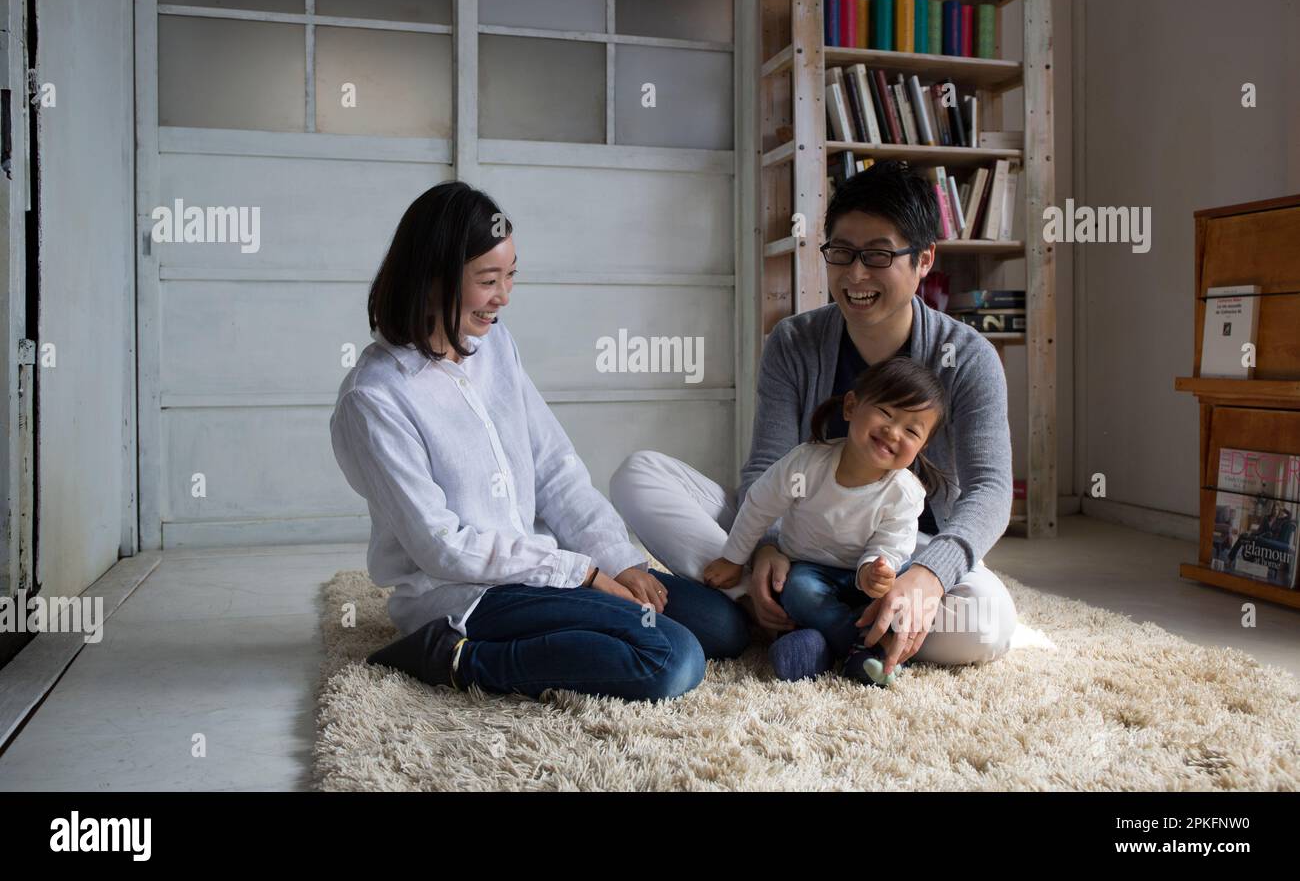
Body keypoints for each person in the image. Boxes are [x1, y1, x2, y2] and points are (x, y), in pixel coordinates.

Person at [330, 181, 748, 702]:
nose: (504, 297)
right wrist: (583, 572)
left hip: (541, 570)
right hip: (467, 594)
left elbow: (554, 468)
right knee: (671, 658)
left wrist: (618, 560)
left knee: (724, 628)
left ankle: (577, 627)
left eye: (511, 276)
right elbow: (441, 547)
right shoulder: (375, 399)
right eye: (488, 280)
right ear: (433, 280)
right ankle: (453, 657)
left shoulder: (493, 345)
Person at [611, 160, 1019, 680]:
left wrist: (927, 576)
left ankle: (782, 621)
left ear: (923, 261)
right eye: (842, 253)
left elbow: (990, 489)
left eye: (877, 256)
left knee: (987, 624)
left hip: (898, 552)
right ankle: (819, 617)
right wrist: (766, 549)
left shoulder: (968, 356)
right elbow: (767, 466)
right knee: (638, 475)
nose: (855, 275)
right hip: (798, 533)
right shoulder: (794, 341)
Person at [702, 357, 952, 687]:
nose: (892, 432)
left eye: (910, 430)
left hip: (865, 579)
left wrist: (875, 572)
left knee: (905, 597)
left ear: (922, 445)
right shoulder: (806, 464)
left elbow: (891, 543)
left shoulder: (904, 492)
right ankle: (863, 648)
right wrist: (734, 558)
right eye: (886, 414)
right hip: (810, 569)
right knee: (798, 591)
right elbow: (759, 506)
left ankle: (821, 646)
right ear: (851, 406)